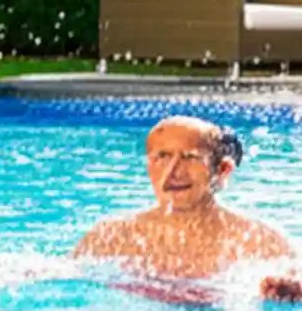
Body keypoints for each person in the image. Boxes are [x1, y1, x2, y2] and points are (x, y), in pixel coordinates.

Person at [72, 116, 299, 301]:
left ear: (222, 171)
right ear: (149, 167)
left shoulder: (258, 241)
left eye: (189, 157)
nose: (173, 172)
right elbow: (66, 279)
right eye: (162, 156)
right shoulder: (112, 238)